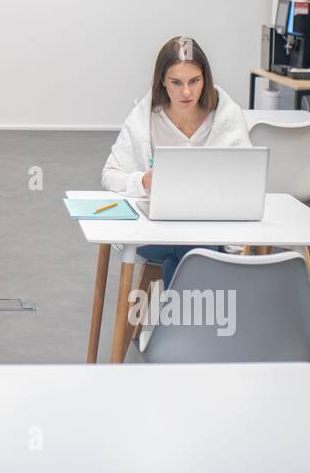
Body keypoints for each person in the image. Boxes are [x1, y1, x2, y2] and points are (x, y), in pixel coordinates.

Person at [101, 35, 251, 287]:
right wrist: (143, 180)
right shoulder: (146, 117)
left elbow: (245, 177)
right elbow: (110, 175)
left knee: (190, 251)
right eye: (176, 82)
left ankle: (172, 325)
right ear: (162, 81)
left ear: (206, 78)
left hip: (210, 228)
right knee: (195, 251)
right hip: (155, 232)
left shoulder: (225, 114)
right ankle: (193, 325)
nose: (186, 92)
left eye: (195, 80)